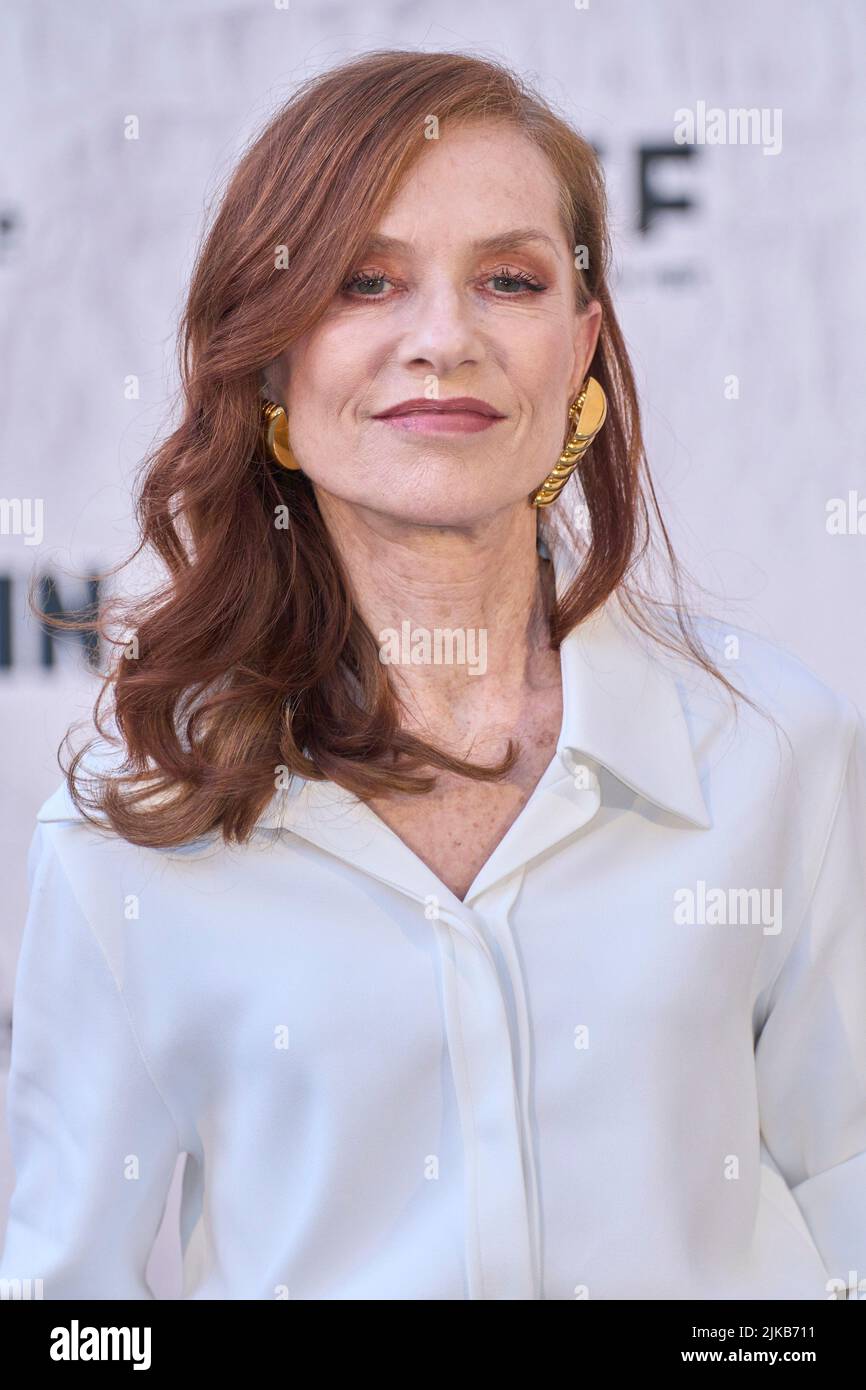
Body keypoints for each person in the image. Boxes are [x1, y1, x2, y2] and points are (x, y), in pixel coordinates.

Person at [1, 48, 864, 1302]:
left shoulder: (775, 747)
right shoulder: (123, 833)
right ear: (270, 364)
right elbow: (63, 1311)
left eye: (507, 279)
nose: (443, 341)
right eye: (366, 281)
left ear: (582, 346)